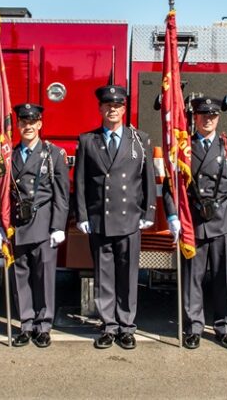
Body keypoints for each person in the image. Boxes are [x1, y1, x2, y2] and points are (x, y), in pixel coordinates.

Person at [163, 96, 227, 350]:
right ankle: (193, 327)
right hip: (194, 221)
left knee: (224, 277)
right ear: (195, 118)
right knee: (193, 278)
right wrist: (172, 216)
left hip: (223, 220)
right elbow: (172, 186)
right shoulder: (184, 148)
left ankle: (225, 327)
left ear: (218, 118)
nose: (208, 119)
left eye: (212, 116)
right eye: (203, 115)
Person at [74, 84, 156, 350]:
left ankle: (127, 325)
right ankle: (108, 325)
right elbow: (82, 182)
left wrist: (149, 212)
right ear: (100, 109)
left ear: (124, 109)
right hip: (100, 218)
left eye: (118, 106)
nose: (113, 110)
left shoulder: (139, 139)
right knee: (104, 275)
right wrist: (82, 215)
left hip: (130, 218)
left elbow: (148, 180)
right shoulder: (87, 140)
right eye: (108, 106)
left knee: (128, 275)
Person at [4, 103, 70, 348]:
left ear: (40, 124)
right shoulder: (9, 155)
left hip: (43, 223)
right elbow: (3, 194)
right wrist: (0, 224)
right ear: (18, 125)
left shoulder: (53, 154)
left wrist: (58, 226)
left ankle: (43, 325)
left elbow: (62, 195)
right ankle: (26, 324)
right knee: (20, 277)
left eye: (32, 122)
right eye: (23, 122)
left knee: (43, 277)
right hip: (18, 225)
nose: (28, 126)